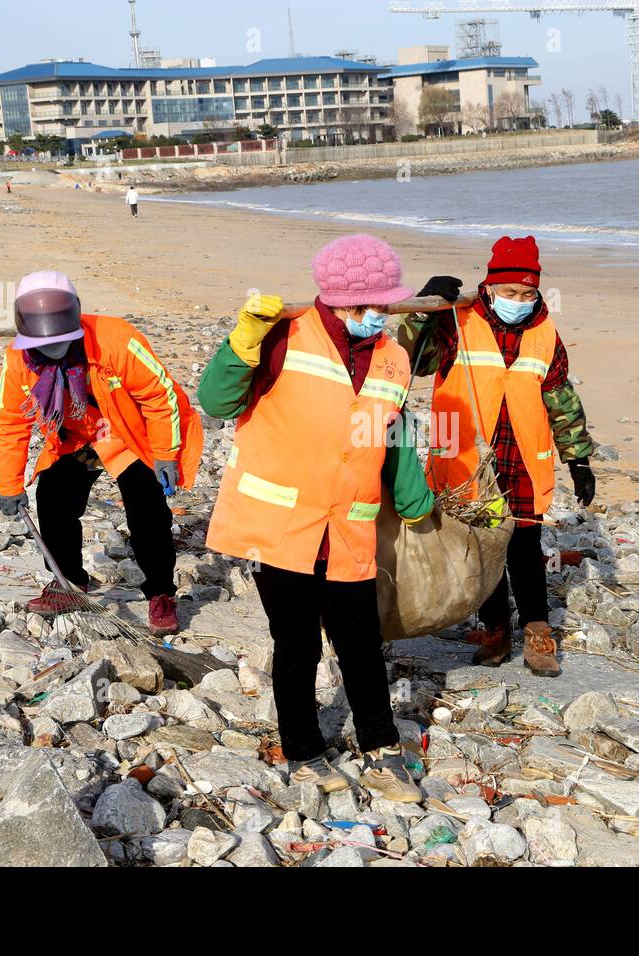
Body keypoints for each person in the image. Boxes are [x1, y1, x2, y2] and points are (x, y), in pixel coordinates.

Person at [197, 234, 441, 801]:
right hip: (279, 528)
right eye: (366, 307)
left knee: (361, 641)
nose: (377, 317)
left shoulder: (393, 356)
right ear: (336, 302)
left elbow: (396, 433)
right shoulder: (282, 338)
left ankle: (382, 750)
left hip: (349, 525)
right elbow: (216, 401)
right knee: (298, 644)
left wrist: (413, 494)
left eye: (385, 306)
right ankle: (304, 750)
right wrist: (241, 344)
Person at [399, 236, 596, 677]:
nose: (519, 301)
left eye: (527, 294)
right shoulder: (456, 319)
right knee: (482, 548)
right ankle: (495, 631)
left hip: (522, 456)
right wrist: (424, 307)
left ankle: (537, 632)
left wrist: (578, 459)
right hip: (466, 454)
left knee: (524, 547)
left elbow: (560, 397)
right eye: (510, 293)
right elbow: (412, 359)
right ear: (488, 287)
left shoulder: (546, 333)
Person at [0, 271, 202, 636]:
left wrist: (166, 453)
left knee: (147, 506)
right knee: (53, 497)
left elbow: (160, 394)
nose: (52, 349)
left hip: (128, 434)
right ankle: (69, 584)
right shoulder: (19, 359)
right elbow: (10, 423)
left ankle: (161, 593)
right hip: (77, 435)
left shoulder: (115, 340)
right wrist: (8, 485)